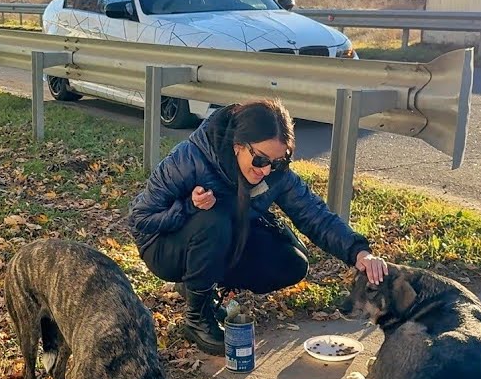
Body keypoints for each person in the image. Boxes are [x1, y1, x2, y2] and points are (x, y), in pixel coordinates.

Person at [126, 98, 389, 355]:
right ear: (238, 145)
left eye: (277, 162)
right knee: (214, 218)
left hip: (221, 238)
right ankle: (197, 317)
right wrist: (189, 207)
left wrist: (359, 252)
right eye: (261, 160)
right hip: (163, 247)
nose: (266, 170)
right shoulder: (190, 157)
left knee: (292, 262)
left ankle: (201, 284)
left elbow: (314, 214)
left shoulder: (276, 173)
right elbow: (140, 217)